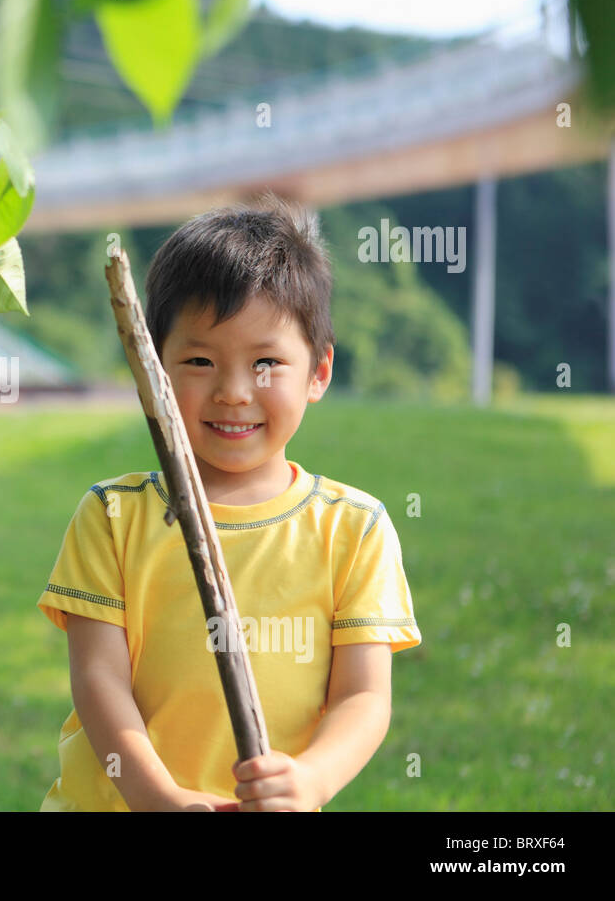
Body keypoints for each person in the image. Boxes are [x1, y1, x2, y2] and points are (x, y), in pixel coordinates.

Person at [37, 195, 421, 811]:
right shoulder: (113, 516)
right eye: (199, 361)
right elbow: (98, 680)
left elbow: (364, 698)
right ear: (153, 367)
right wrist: (158, 796)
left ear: (318, 371)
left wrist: (313, 780)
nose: (234, 392)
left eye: (266, 362)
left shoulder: (354, 529)